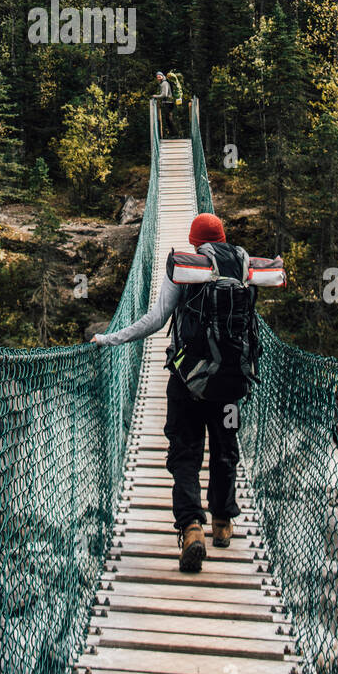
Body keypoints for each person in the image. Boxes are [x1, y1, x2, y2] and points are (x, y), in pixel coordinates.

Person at [93, 212, 247, 572]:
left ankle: (191, 527)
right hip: (230, 381)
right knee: (226, 448)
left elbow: (157, 319)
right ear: (223, 239)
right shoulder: (241, 263)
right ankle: (222, 522)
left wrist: (111, 338)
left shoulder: (185, 266)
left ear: (195, 243)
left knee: (185, 453)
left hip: (187, 379)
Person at [152, 70, 175, 137]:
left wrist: (155, 96)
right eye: (157, 77)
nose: (158, 78)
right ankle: (173, 134)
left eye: (159, 77)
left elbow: (164, 94)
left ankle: (174, 134)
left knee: (168, 119)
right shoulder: (163, 83)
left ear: (162, 76)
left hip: (169, 103)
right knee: (167, 119)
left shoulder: (164, 83)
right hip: (167, 102)